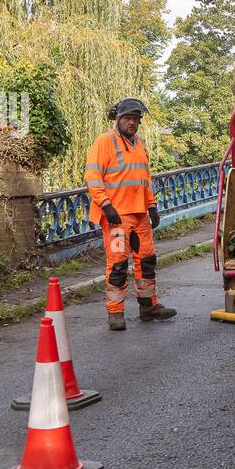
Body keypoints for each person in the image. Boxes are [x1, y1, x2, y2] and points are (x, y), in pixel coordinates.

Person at [84, 97, 177, 330]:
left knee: (147, 261)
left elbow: (144, 179)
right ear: (118, 119)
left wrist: (152, 206)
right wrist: (106, 206)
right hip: (117, 217)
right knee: (117, 264)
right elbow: (93, 177)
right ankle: (115, 313)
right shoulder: (104, 142)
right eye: (127, 118)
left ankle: (148, 306)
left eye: (135, 119)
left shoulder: (140, 145)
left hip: (139, 215)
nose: (131, 123)